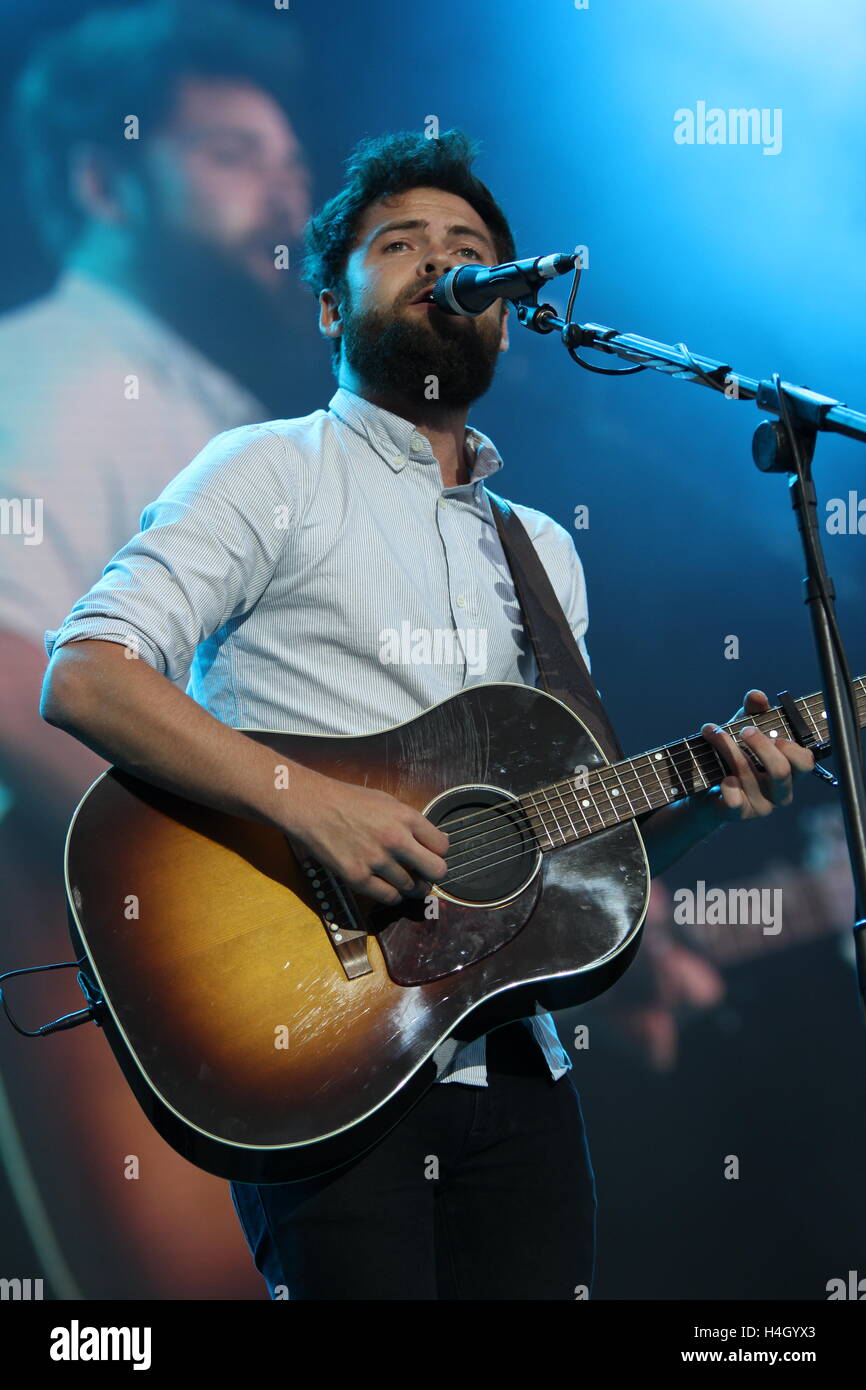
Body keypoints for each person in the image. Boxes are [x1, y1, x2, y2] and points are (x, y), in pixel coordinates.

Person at [39, 128, 815, 1300]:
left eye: (467, 251)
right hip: (319, 1045)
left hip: (516, 1073)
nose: (440, 263)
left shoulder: (542, 549)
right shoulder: (266, 471)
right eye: (398, 244)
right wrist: (318, 807)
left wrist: (707, 800)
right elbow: (85, 672)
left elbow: (574, 854)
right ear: (327, 307)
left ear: (505, 311)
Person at [0, 0, 317, 1298]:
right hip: (163, 1002)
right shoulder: (59, 375)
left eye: (295, 165)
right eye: (234, 154)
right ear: (101, 178)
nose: (288, 196)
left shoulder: (229, 417)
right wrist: (260, 897)